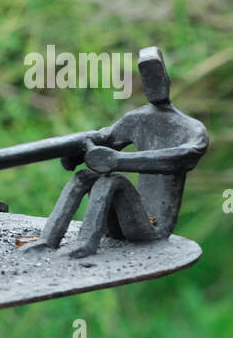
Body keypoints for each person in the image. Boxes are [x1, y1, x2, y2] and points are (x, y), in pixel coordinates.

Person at [24, 47, 208, 258]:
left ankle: (86, 244)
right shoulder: (137, 119)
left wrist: (119, 160)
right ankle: (47, 241)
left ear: (166, 80)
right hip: (119, 225)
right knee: (84, 176)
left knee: (111, 182)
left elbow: (180, 158)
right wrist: (74, 152)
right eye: (147, 80)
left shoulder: (191, 129)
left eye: (156, 78)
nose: (152, 86)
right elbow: (106, 138)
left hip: (152, 230)